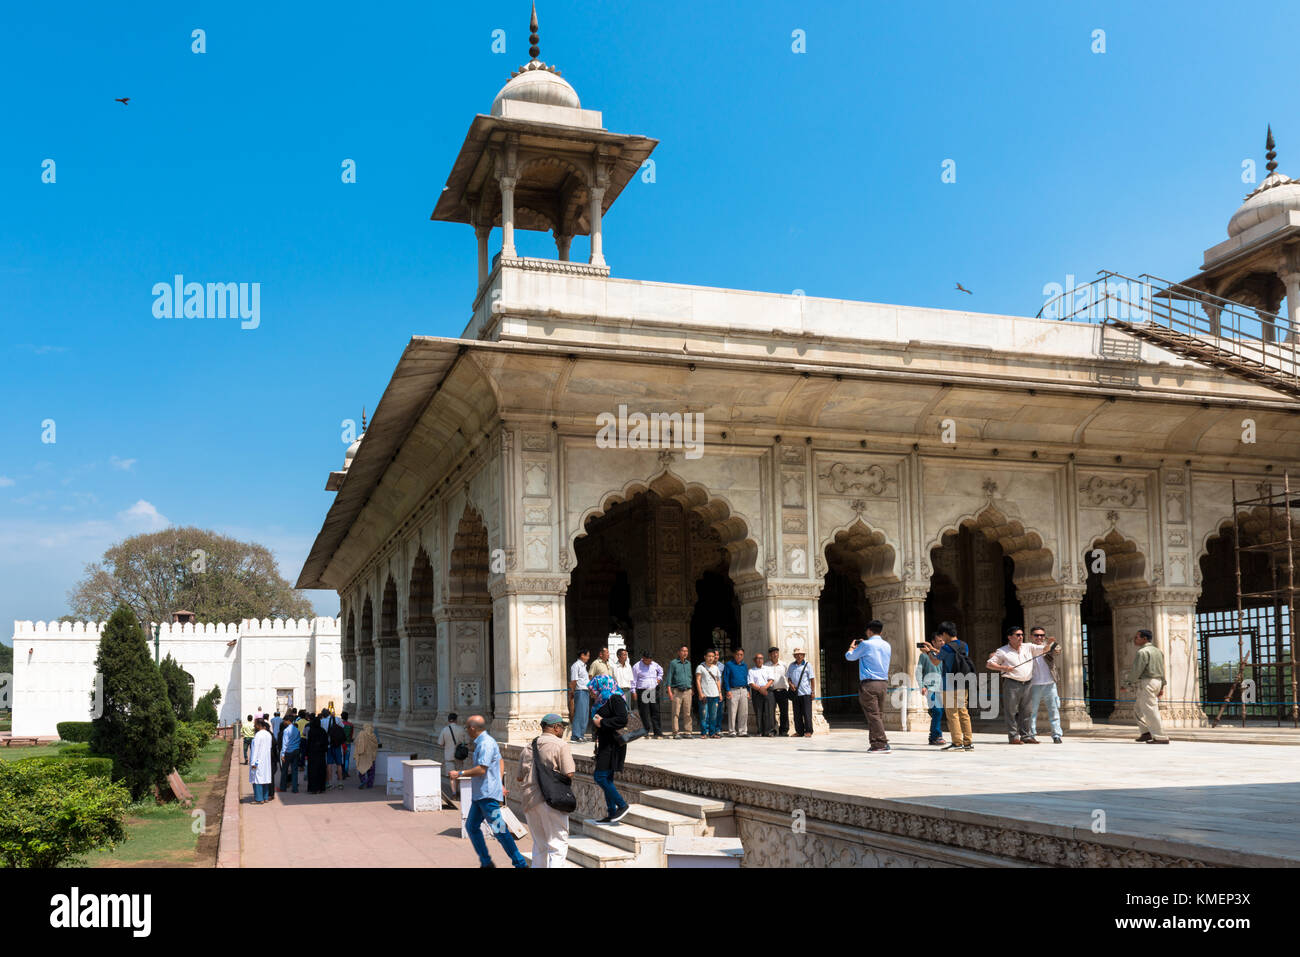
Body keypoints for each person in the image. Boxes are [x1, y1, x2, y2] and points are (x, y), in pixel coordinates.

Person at [450, 715, 529, 868]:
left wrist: (460, 773)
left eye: (467, 727)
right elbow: (500, 760)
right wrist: (499, 783)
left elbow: (481, 769)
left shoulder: (485, 743)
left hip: (487, 796)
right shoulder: (486, 741)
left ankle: (520, 863)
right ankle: (486, 862)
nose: (466, 731)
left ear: (473, 728)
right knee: (472, 826)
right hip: (481, 795)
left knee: (500, 830)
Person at [516, 713, 576, 868]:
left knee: (539, 845)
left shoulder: (528, 747)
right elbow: (569, 773)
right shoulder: (560, 745)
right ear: (556, 727)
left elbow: (519, 778)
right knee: (557, 845)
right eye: (562, 727)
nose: (563, 730)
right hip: (552, 800)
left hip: (530, 801)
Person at [986, 626, 1058, 744]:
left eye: (1021, 635)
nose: (1020, 637)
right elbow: (989, 664)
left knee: (1027, 711)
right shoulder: (1002, 651)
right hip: (1012, 683)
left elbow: (1044, 650)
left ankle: (1026, 736)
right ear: (1010, 637)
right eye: (1017, 635)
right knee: (1011, 711)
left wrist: (1049, 643)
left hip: (1028, 683)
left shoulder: (1028, 647)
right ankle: (1013, 737)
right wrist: (1003, 668)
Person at [924, 622, 973, 751]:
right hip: (962, 682)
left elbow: (935, 661)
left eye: (942, 636)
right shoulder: (964, 645)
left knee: (952, 714)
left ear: (945, 633)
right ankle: (968, 742)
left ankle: (957, 743)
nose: (942, 639)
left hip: (950, 683)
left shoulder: (946, 648)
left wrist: (929, 652)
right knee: (963, 712)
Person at [588, 675, 630, 824]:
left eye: (593, 690)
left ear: (601, 686)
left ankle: (622, 805)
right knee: (607, 778)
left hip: (613, 745)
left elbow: (622, 719)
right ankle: (612, 813)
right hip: (605, 743)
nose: (591, 693)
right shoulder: (602, 701)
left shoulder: (615, 698)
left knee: (600, 777)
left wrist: (602, 722)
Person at [846, 620, 892, 753]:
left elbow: (850, 657)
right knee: (877, 714)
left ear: (869, 631)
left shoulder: (866, 644)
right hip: (883, 683)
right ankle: (875, 743)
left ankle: (881, 743)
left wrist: (852, 647)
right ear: (881, 631)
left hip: (869, 684)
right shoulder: (886, 645)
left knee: (873, 715)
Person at [1130, 629, 1170, 744]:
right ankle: (1146, 732)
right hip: (1156, 682)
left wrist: (1127, 683)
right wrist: (1162, 686)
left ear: (1144, 639)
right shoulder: (1158, 651)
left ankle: (1160, 737)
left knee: (1151, 710)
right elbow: (1161, 670)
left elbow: (1136, 670)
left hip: (1147, 682)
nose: (1134, 639)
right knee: (1138, 709)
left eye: (1137, 637)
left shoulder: (1142, 652)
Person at [1026, 627, 1064, 744]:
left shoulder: (1049, 646)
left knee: (1054, 710)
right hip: (1033, 684)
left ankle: (1056, 735)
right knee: (1032, 711)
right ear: (1031, 636)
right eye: (1036, 635)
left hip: (1049, 683)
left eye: (1042, 635)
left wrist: (1051, 642)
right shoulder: (1028, 648)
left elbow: (1058, 650)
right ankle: (1031, 734)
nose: (1039, 637)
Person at [916, 629, 947, 746]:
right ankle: (937, 736)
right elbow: (919, 671)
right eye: (940, 641)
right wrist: (922, 685)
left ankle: (933, 736)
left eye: (944, 640)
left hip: (943, 688)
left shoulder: (945, 655)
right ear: (933, 642)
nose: (943, 643)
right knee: (938, 711)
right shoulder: (924, 656)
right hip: (931, 687)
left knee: (938, 712)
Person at [632, 650, 665, 738]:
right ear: (643, 659)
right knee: (644, 712)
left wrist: (659, 678)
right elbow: (633, 680)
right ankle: (645, 731)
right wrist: (633, 691)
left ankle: (657, 732)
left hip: (653, 690)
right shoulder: (636, 666)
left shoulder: (654, 664)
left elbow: (661, 671)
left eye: (650, 660)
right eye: (647, 660)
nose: (649, 662)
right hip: (644, 691)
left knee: (655, 711)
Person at [438, 712, 469, 806]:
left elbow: (440, 743)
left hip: (448, 756)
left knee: (452, 776)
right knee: (458, 774)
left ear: (448, 720)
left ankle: (454, 793)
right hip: (459, 755)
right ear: (456, 720)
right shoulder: (461, 729)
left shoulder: (444, 730)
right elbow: (467, 741)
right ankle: (458, 790)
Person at [666, 645, 694, 738]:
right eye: (683, 651)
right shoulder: (673, 663)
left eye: (686, 651)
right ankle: (675, 732)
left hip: (687, 691)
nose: (685, 653)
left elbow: (690, 677)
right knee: (676, 712)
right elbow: (669, 678)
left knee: (687, 713)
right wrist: (669, 691)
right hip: (676, 691)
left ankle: (688, 731)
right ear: (679, 652)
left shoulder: (688, 663)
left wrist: (692, 688)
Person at [787, 647, 815, 737]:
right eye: (797, 655)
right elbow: (789, 678)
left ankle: (808, 731)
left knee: (807, 713)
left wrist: (813, 691)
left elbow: (812, 679)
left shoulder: (808, 665)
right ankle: (799, 731)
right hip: (796, 693)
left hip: (806, 693)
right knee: (797, 714)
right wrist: (790, 684)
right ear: (794, 656)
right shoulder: (791, 665)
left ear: (803, 655)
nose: (798, 656)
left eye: (800, 654)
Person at [695, 649, 722, 738]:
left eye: (712, 656)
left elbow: (718, 681)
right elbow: (698, 680)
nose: (711, 658)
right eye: (709, 656)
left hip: (715, 695)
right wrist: (700, 693)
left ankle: (712, 733)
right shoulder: (700, 667)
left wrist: (720, 693)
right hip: (705, 695)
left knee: (713, 716)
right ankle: (703, 733)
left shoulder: (716, 668)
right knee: (704, 715)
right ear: (705, 657)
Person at [722, 647, 750, 736]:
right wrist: (727, 690)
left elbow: (747, 678)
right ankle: (732, 731)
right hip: (733, 690)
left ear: (743, 656)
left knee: (744, 712)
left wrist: (748, 690)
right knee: (732, 711)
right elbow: (726, 678)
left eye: (741, 655)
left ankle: (742, 731)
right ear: (734, 655)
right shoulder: (729, 665)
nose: (739, 656)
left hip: (744, 689)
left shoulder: (744, 665)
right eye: (737, 654)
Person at [749, 651, 775, 736]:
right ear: (754, 660)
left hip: (768, 690)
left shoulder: (768, 668)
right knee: (758, 711)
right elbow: (751, 683)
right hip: (757, 692)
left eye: (761, 658)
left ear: (763, 660)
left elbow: (771, 680)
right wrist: (760, 689)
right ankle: (760, 731)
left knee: (769, 711)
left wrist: (764, 688)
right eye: (758, 658)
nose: (759, 660)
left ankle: (770, 731)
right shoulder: (751, 670)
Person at [569, 649, 592, 742]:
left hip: (585, 691)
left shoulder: (584, 666)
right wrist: (572, 692)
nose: (588, 658)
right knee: (579, 713)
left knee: (585, 714)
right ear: (582, 655)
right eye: (587, 655)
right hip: (580, 691)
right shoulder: (576, 666)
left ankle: (581, 734)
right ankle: (575, 735)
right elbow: (574, 680)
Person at [249, 718, 273, 804]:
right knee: (265, 778)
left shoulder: (258, 735)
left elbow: (255, 750)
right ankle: (265, 797)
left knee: (257, 779)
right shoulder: (268, 734)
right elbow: (269, 747)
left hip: (258, 760)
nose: (254, 726)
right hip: (266, 759)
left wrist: (253, 762)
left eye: (255, 724)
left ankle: (259, 799)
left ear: (259, 725)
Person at [321, 708, 344, 790]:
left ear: (323, 715)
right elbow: (342, 727)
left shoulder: (322, 721)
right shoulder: (337, 719)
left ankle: (329, 783)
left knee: (329, 764)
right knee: (339, 764)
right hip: (337, 745)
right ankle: (340, 783)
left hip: (328, 745)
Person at [306, 714, 329, 793]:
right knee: (321, 771)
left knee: (313, 771)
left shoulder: (311, 731)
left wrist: (307, 753)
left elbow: (308, 743)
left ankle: (313, 788)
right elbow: (326, 743)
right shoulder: (323, 731)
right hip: (321, 754)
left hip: (312, 754)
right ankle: (321, 788)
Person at [279, 714, 301, 792]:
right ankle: (295, 788)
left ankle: (283, 787)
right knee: (294, 770)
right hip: (296, 751)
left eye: (285, 720)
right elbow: (299, 740)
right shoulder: (296, 730)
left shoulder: (286, 730)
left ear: (288, 721)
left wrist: (282, 754)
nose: (284, 722)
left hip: (288, 752)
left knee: (284, 770)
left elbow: (285, 743)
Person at [354, 723, 380, 788]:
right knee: (371, 772)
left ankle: (363, 780)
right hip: (371, 756)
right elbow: (376, 745)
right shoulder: (373, 735)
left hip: (362, 755)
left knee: (361, 770)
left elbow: (356, 742)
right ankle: (369, 784)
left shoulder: (361, 734)